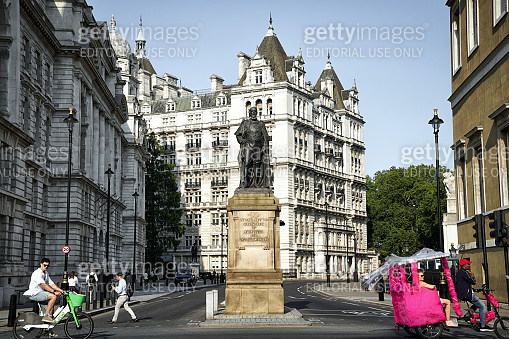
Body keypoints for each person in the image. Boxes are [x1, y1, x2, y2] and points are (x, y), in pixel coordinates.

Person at [235, 107, 271, 189]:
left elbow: (265, 136)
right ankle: (246, 183)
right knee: (247, 163)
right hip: (248, 145)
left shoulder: (261, 124)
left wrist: (265, 146)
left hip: (258, 146)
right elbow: (238, 134)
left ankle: (257, 183)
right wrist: (242, 141)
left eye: (255, 111)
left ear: (257, 113)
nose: (253, 113)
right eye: (252, 112)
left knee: (257, 165)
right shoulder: (245, 123)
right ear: (249, 113)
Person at [23, 258, 65, 323]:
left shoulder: (46, 273)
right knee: (53, 296)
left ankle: (48, 331)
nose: (46, 267)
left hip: (41, 294)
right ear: (41, 264)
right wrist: (54, 292)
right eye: (44, 265)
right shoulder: (37, 273)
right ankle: (46, 316)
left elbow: (52, 284)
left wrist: (62, 291)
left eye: (47, 266)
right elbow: (44, 285)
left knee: (51, 309)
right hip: (35, 293)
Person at [456, 258, 492, 331]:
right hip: (467, 294)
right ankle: (483, 325)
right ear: (464, 265)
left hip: (462, 293)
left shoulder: (459, 272)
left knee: (476, 304)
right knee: (482, 306)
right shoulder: (464, 272)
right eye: (468, 264)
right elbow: (473, 282)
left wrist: (477, 290)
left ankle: (467, 315)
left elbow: (464, 285)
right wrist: (472, 275)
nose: (469, 265)